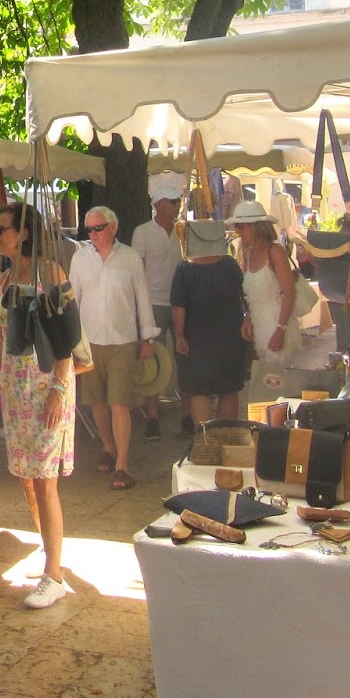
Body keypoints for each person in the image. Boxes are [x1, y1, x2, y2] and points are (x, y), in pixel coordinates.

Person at [0, 201, 75, 609]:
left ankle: (55, 575)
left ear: (24, 233)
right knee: (27, 476)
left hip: (47, 385)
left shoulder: (51, 274)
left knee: (46, 479)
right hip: (16, 393)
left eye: (2, 229)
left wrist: (58, 390)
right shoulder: (7, 279)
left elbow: (67, 336)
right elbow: (1, 343)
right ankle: (49, 550)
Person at [69, 206, 157, 491]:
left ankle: (122, 463)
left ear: (113, 227)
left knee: (120, 403)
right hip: (91, 340)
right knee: (96, 401)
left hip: (123, 340)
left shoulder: (130, 258)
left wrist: (148, 338)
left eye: (98, 228)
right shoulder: (80, 258)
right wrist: (71, 341)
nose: (93, 234)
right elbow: (74, 300)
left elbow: (142, 297)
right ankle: (107, 447)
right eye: (89, 229)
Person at [169, 220, 249, 425]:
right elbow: (245, 295)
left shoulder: (184, 270)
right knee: (229, 388)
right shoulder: (230, 266)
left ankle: (205, 442)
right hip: (229, 335)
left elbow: (179, 306)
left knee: (199, 390)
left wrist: (179, 336)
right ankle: (226, 436)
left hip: (196, 337)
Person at [229, 200, 301, 402]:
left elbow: (289, 292)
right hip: (261, 327)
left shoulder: (275, 252)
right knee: (268, 386)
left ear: (255, 227)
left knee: (279, 386)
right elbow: (252, 294)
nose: (239, 231)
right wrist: (248, 318)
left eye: (241, 226)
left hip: (278, 324)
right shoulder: (249, 254)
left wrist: (281, 329)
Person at [131, 184, 184, 438]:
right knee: (153, 362)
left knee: (184, 356)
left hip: (180, 303)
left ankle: (187, 413)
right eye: (173, 201)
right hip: (153, 303)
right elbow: (137, 272)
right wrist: (140, 309)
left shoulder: (182, 231)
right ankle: (152, 416)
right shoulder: (143, 233)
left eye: (178, 200)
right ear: (159, 204)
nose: (178, 205)